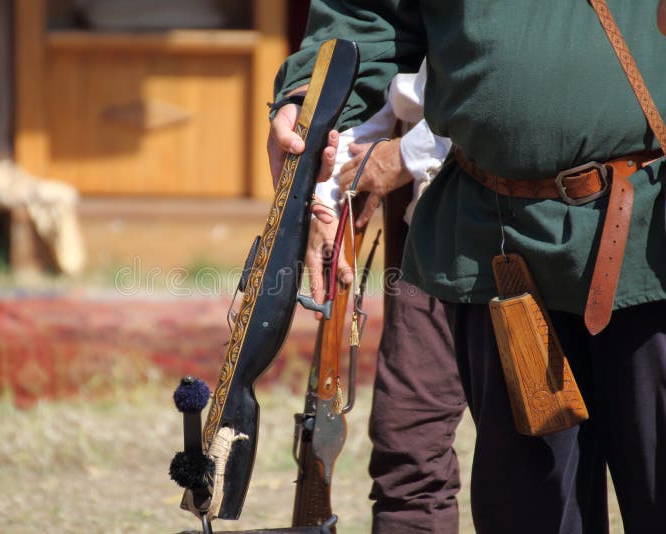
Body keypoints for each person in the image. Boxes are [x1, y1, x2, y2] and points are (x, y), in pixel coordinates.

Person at [270, 1, 666, 533]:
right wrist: (311, 107)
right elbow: (365, 16)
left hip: (652, 238)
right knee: (525, 511)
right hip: (498, 242)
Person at [270, 52, 466, 534]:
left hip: (527, 207)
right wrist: (322, 198)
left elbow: (511, 83)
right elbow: (382, 48)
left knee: (537, 457)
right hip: (428, 218)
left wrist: (409, 153)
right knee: (408, 445)